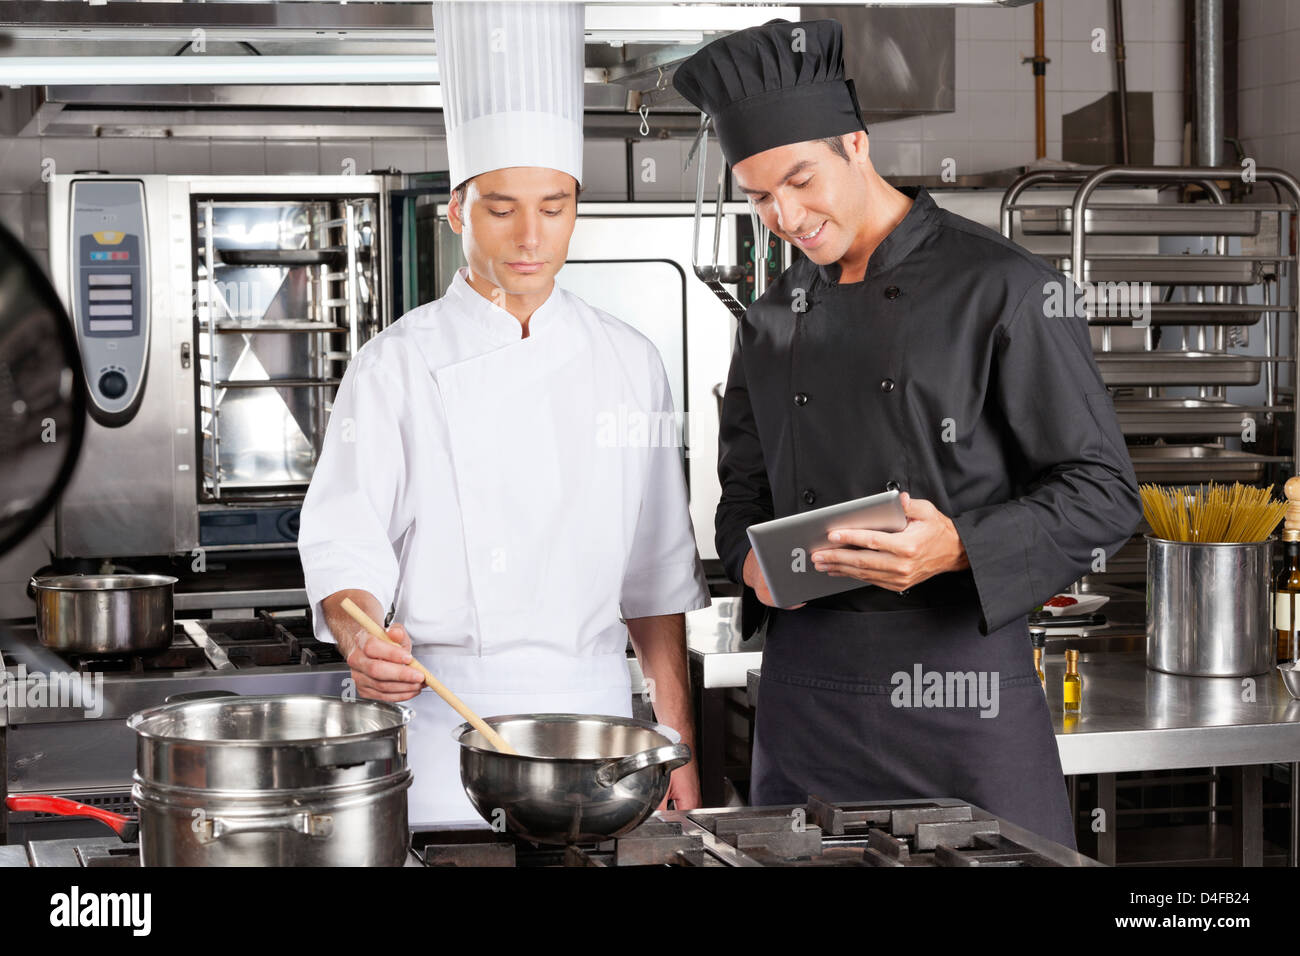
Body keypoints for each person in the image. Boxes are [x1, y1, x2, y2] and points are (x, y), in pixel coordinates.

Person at [673, 17, 1141, 847]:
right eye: (758, 197)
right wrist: (753, 564)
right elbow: (740, 496)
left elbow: (1103, 493)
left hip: (962, 705)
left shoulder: (1003, 289)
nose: (784, 215)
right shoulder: (773, 315)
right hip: (805, 707)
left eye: (801, 180)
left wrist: (958, 544)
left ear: (857, 145)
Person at [298, 0, 710, 824]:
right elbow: (346, 545)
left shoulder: (631, 362)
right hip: (447, 727)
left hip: (599, 738)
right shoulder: (395, 366)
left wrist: (673, 742)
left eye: (554, 206)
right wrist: (361, 641)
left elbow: (656, 576)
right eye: (500, 207)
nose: (530, 235)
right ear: (455, 211)